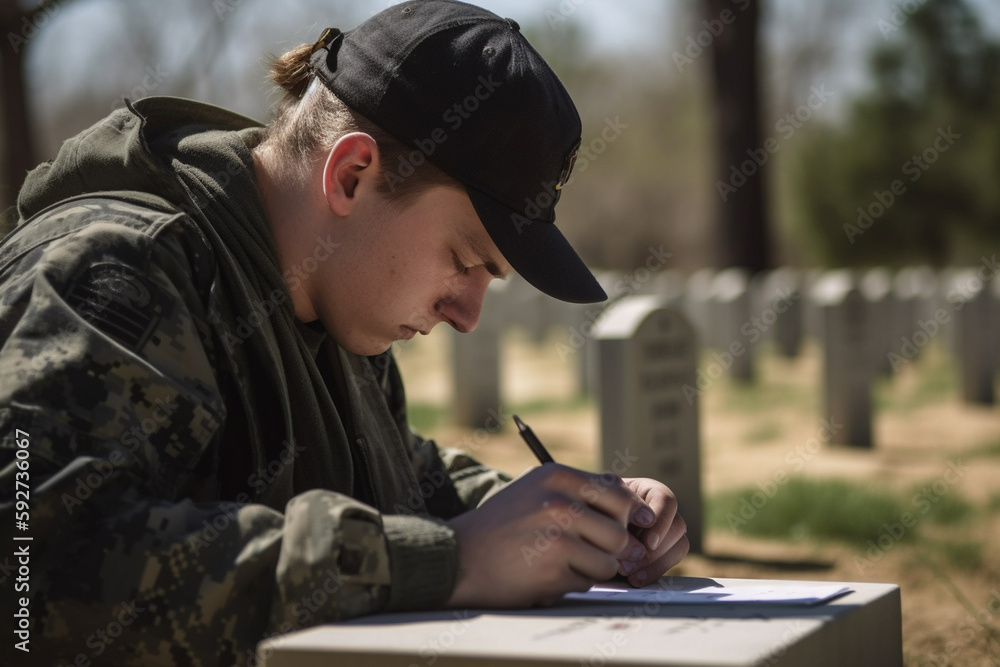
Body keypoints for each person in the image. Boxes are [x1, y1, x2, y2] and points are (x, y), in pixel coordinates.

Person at [0, 1, 688, 664]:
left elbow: (402, 480)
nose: (468, 314)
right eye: (466, 260)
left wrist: (574, 519)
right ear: (352, 174)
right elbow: (35, 573)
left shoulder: (339, 309)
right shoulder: (111, 275)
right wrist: (445, 561)